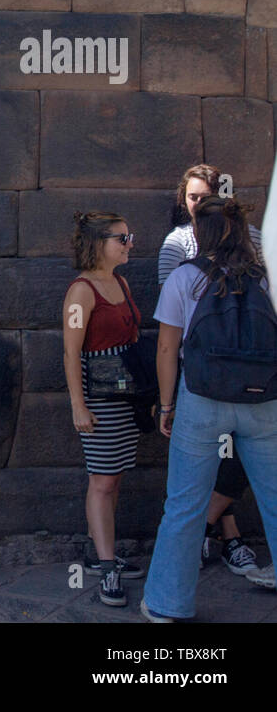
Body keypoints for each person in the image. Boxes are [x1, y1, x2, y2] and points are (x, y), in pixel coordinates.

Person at [142, 197, 277, 621]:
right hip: (262, 400)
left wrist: (167, 404)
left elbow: (167, 347)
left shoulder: (186, 277)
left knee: (184, 504)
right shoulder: (268, 277)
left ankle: (167, 603)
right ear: (242, 232)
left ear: (200, 234)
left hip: (200, 398)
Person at [158, 164, 264, 576]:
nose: (200, 205)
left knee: (231, 463)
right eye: (193, 198)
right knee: (210, 467)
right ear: (183, 202)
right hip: (199, 371)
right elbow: (173, 322)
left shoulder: (251, 239)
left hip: (250, 372)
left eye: (207, 197)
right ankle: (230, 536)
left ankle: (200, 540)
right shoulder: (178, 244)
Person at [62, 211, 147, 608]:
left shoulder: (122, 282)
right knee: (102, 480)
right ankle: (107, 564)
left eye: (129, 237)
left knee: (113, 478)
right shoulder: (81, 291)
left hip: (127, 396)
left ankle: (103, 552)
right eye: (122, 238)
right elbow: (71, 351)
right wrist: (78, 405)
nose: (129, 243)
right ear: (99, 243)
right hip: (99, 399)